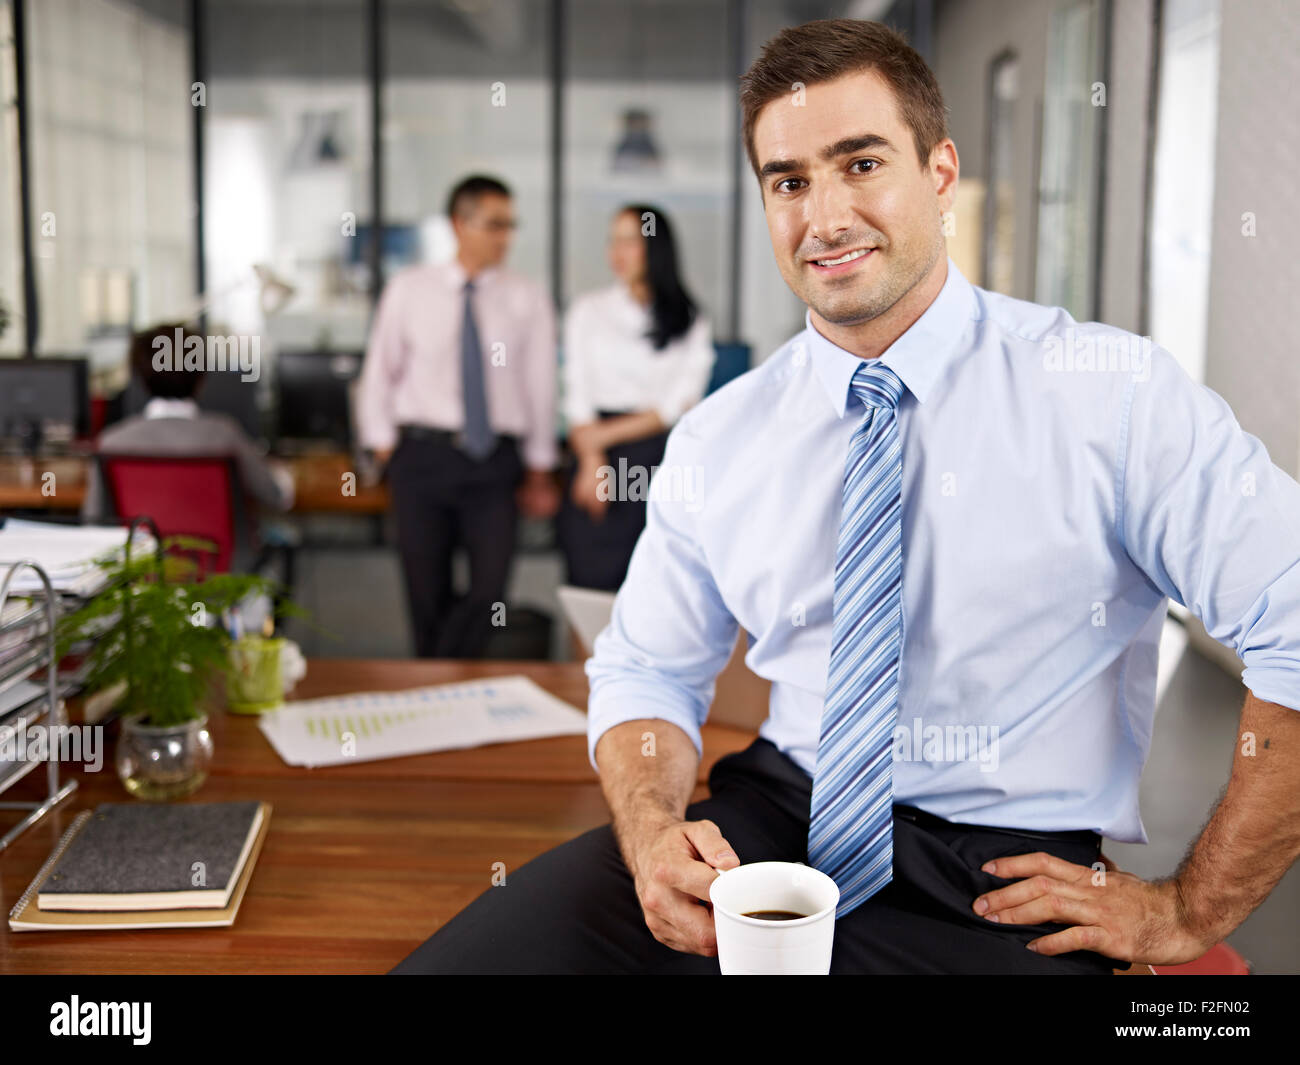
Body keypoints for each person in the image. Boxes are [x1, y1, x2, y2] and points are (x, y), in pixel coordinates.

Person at [391, 19, 1300, 974]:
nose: (823, 217)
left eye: (860, 164)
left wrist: (1187, 908)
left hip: (999, 877)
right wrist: (655, 831)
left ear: (939, 173)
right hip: (770, 824)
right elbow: (647, 670)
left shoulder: (1110, 393)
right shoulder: (720, 435)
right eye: (789, 181)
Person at [356, 175, 560, 659]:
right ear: (459, 224)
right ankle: (437, 697)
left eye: (510, 225)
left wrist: (540, 467)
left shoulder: (526, 296)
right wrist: (382, 441)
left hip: (494, 462)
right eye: (494, 224)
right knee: (425, 593)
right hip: (422, 457)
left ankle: (447, 674)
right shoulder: (409, 289)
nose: (504, 236)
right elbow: (379, 371)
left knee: (490, 591)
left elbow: (539, 386)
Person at [557, 204, 715, 591]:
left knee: (655, 584)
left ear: (655, 248)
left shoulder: (689, 318)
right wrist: (592, 457)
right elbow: (577, 392)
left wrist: (597, 440)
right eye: (613, 241)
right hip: (593, 457)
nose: (617, 252)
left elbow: (677, 404)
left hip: (659, 458)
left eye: (630, 240)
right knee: (590, 583)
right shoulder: (588, 310)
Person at [85, 323, 293, 523]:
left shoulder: (112, 442)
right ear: (201, 377)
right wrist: (284, 475)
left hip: (143, 558)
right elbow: (275, 496)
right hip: (218, 558)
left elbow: (93, 517)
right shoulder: (224, 436)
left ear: (140, 378)